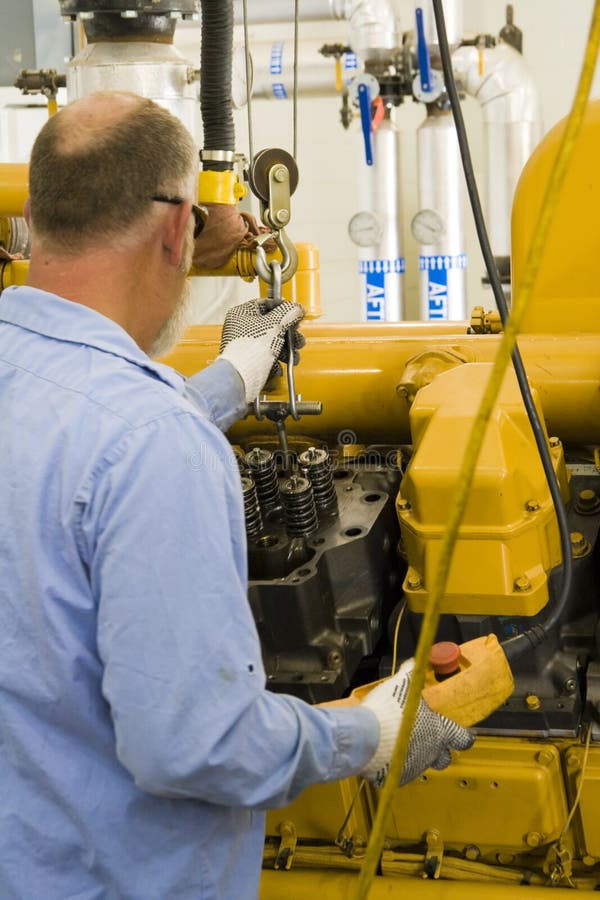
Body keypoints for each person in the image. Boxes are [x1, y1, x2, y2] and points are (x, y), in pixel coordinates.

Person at [0, 91, 473, 899]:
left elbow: (77, 436)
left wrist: (231, 380)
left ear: (35, 216)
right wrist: (371, 733)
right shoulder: (153, 446)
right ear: (180, 229)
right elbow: (194, 746)